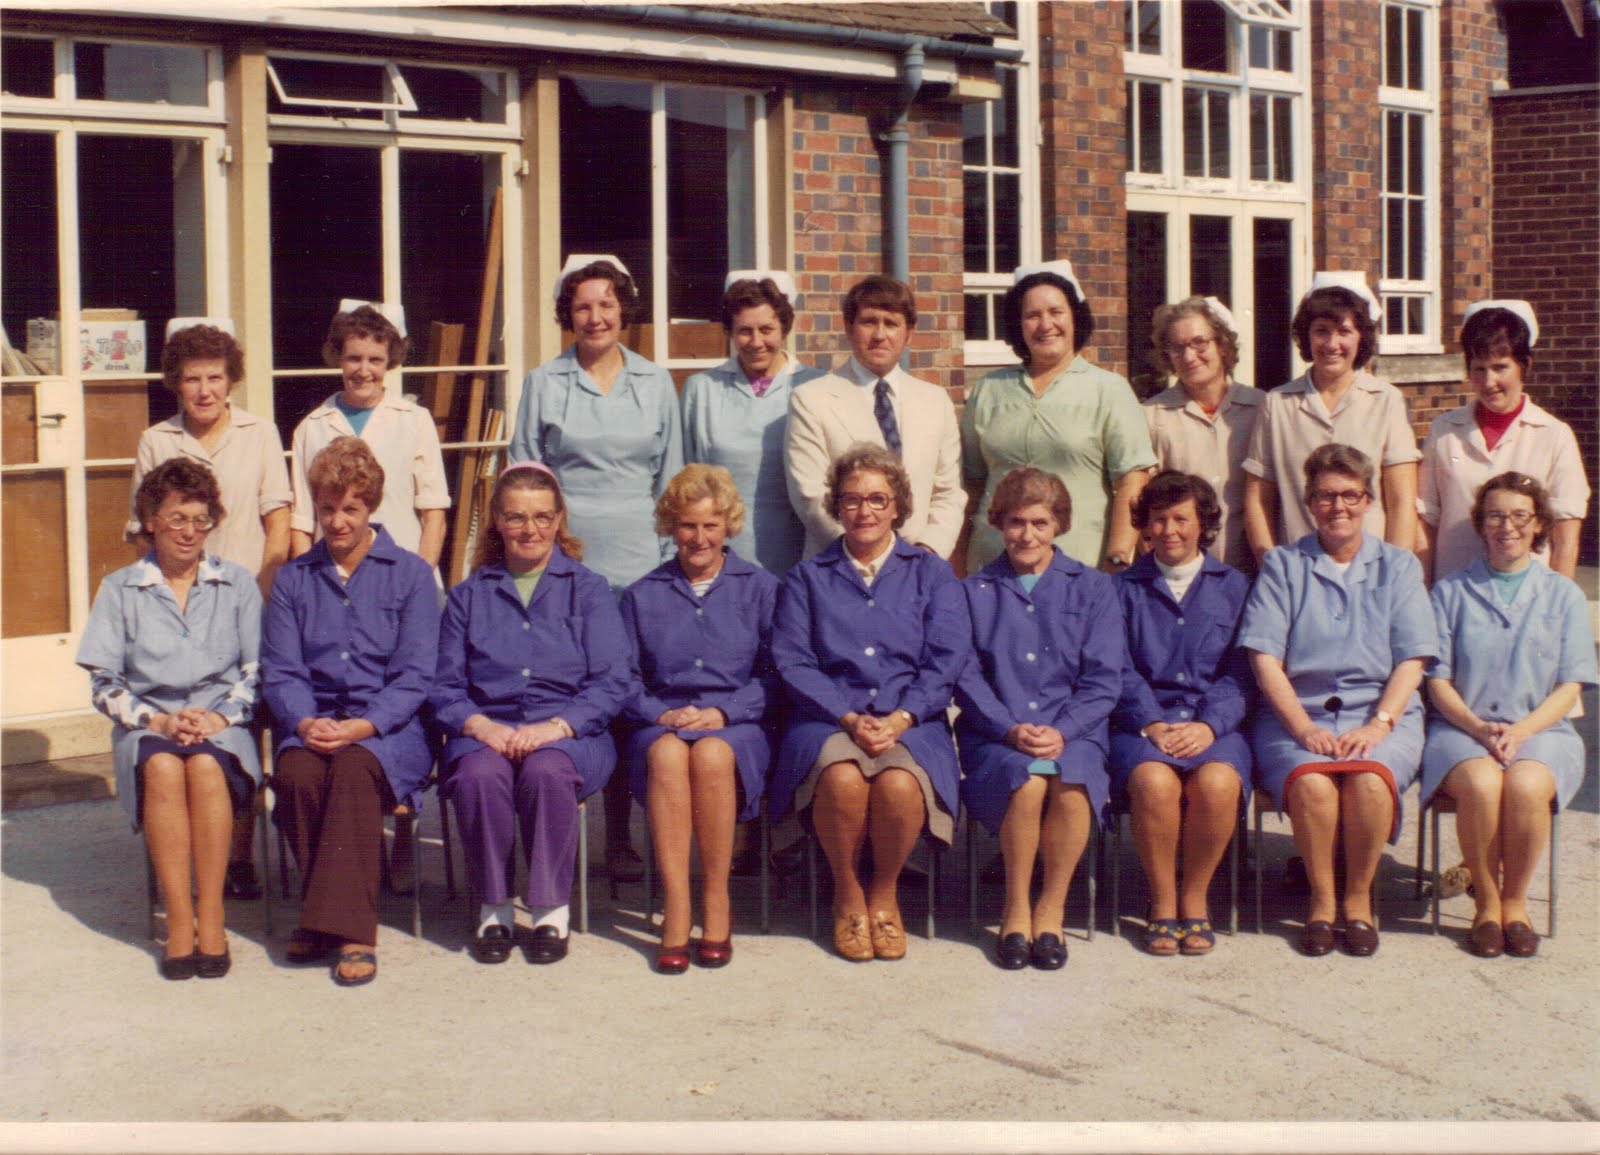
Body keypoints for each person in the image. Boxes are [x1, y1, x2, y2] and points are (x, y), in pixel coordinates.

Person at [508, 254, 684, 881]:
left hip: (641, 562)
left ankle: (621, 838)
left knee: (626, 693)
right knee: (568, 689)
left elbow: (672, 479)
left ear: (623, 310)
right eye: (582, 306)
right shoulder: (543, 382)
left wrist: (668, 560)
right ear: (567, 314)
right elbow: (525, 475)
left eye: (606, 304)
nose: (595, 316)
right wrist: (543, 555)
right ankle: (557, 837)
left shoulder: (655, 381)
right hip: (568, 565)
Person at [1238, 443, 1438, 958]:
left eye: (1351, 495)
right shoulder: (1283, 565)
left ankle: (1358, 901)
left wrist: (1379, 725)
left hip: (1381, 714)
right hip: (1294, 715)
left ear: (1369, 500)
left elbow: (1412, 660)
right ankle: (1322, 903)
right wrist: (1303, 728)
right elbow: (1265, 661)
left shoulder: (1399, 566)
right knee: (1314, 788)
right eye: (1326, 496)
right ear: (1309, 503)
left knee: (1370, 780)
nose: (1338, 507)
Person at [770, 444, 966, 961]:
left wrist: (901, 717)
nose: (865, 511)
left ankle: (884, 895)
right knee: (842, 778)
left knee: (900, 784)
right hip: (828, 719)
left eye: (878, 499)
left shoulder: (931, 572)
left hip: (912, 720)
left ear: (898, 505)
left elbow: (946, 659)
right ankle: (848, 895)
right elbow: (794, 662)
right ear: (836, 506)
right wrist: (849, 717)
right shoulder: (808, 578)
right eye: (852, 500)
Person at [432, 462, 632, 966]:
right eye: (517, 517)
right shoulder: (469, 595)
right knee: (479, 774)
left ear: (560, 519)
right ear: (497, 520)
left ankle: (548, 908)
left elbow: (612, 680)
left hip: (570, 731)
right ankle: (495, 906)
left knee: (546, 770)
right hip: (486, 729)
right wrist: (483, 727)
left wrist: (555, 727)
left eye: (543, 517)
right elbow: (444, 686)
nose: (530, 529)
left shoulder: (586, 589)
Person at [263, 438, 440, 986]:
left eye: (351, 509)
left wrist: (365, 725)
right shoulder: (294, 580)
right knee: (294, 774)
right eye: (327, 509)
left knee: (353, 769)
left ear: (372, 509)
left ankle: (349, 930)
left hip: (389, 731)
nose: (337, 522)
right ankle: (330, 914)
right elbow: (282, 670)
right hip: (315, 722)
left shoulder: (410, 575)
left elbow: (415, 676)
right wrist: (302, 721)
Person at [78, 459, 262, 979]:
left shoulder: (238, 584)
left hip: (221, 726)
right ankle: (180, 919)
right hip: (149, 727)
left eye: (200, 520)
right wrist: (156, 723)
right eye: (177, 518)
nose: (189, 531)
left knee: (204, 769)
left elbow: (257, 670)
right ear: (151, 520)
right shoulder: (120, 589)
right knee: (162, 769)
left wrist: (221, 720)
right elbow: (103, 683)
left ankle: (213, 915)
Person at [127, 317, 291, 902]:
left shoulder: (259, 432)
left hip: (249, 602)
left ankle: (238, 858)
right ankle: (192, 855)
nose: (204, 390)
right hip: (180, 609)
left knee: (242, 723)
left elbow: (278, 525)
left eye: (215, 377)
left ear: (231, 380)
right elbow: (142, 532)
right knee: (188, 725)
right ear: (176, 382)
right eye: (192, 378)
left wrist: (263, 598)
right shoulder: (157, 440)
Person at [1422, 472, 1599, 958]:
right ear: (1481, 524)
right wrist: (1478, 727)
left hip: (1542, 730)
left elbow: (1572, 683)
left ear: (1538, 523)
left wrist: (1522, 730)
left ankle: (1516, 905)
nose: (1508, 526)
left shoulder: (1562, 594)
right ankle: (1487, 902)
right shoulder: (1450, 591)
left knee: (1523, 785)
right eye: (1496, 515)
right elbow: (1436, 680)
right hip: (1461, 728)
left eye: (1520, 515)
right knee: (1481, 784)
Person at [953, 468, 1121, 970]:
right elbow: (964, 675)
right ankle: (1015, 908)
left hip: (1075, 732)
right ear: (998, 524)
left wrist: (1063, 730)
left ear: (1059, 526)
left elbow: (1104, 679)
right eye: (1015, 522)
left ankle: (1051, 909)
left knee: (1070, 781)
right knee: (1024, 782)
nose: (1027, 535)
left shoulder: (1091, 589)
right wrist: (1009, 728)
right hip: (997, 734)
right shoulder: (975, 591)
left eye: (1040, 523)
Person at [619, 464, 779, 972]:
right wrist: (661, 713)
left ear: (728, 526)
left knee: (712, 754)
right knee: (667, 753)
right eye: (688, 525)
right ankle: (676, 903)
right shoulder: (643, 594)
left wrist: (724, 711)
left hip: (738, 724)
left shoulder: (760, 588)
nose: (699, 537)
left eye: (711, 525)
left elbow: (779, 675)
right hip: (661, 720)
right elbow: (622, 680)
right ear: (672, 527)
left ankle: (716, 900)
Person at [1111, 471, 1252, 956]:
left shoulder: (1235, 586)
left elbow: (1241, 672)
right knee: (1154, 782)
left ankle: (1196, 898)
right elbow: (1118, 667)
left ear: (1203, 524)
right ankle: (1162, 902)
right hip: (1142, 724)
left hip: (1213, 724)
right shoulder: (1122, 589)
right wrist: (1150, 721)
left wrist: (1208, 724)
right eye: (1158, 519)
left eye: (1181, 519)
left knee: (1217, 783)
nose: (1169, 530)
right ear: (1144, 526)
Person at [962, 260, 1156, 573]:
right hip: (992, 567)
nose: (1045, 324)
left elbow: (1133, 481)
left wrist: (1117, 557)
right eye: (1032, 315)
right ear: (1018, 324)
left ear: (1075, 317)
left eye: (1056, 312)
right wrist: (958, 564)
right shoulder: (989, 390)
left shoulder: (1109, 390)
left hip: (1080, 567)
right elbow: (970, 485)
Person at [1242, 272, 1421, 564]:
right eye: (1322, 331)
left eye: (1344, 331)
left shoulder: (1386, 401)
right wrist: (1272, 567)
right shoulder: (1277, 404)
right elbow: (1258, 499)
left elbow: (1402, 502)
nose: (1332, 343)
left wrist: (1392, 574)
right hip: (1298, 572)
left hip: (1369, 573)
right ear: (1307, 336)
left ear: (1361, 336)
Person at [784, 275, 964, 560]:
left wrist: (926, 553)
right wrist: (872, 556)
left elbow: (948, 493)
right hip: (842, 567)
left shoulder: (935, 401)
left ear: (909, 334)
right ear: (848, 328)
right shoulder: (811, 399)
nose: (880, 334)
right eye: (869, 322)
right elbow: (811, 497)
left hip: (919, 567)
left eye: (891, 323)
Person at [1418, 301, 1590, 582]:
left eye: (1500, 367)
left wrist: (1557, 607)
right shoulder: (1444, 430)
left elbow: (1565, 540)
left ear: (1525, 366)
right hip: (1454, 596)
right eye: (1479, 369)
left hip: (1529, 601)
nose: (1489, 381)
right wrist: (1423, 597)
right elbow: (1425, 526)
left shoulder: (1554, 435)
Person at [680, 272, 824, 576]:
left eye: (766, 329)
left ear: (784, 328)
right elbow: (687, 480)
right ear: (730, 332)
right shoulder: (702, 389)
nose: (756, 342)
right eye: (744, 331)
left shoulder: (816, 387)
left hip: (799, 551)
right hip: (722, 552)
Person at [288, 301, 450, 567]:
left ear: (389, 362)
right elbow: (302, 522)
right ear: (339, 357)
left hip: (401, 573)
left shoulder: (415, 420)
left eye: (375, 360)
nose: (364, 371)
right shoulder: (311, 427)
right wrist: (311, 585)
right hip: (333, 577)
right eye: (354, 358)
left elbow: (434, 515)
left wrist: (418, 579)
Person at [1142, 297, 1262, 573]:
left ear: (1222, 345)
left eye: (1200, 343)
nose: (1189, 356)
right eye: (1177, 347)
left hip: (1251, 571)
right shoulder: (1151, 416)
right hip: (1181, 576)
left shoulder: (1261, 408)